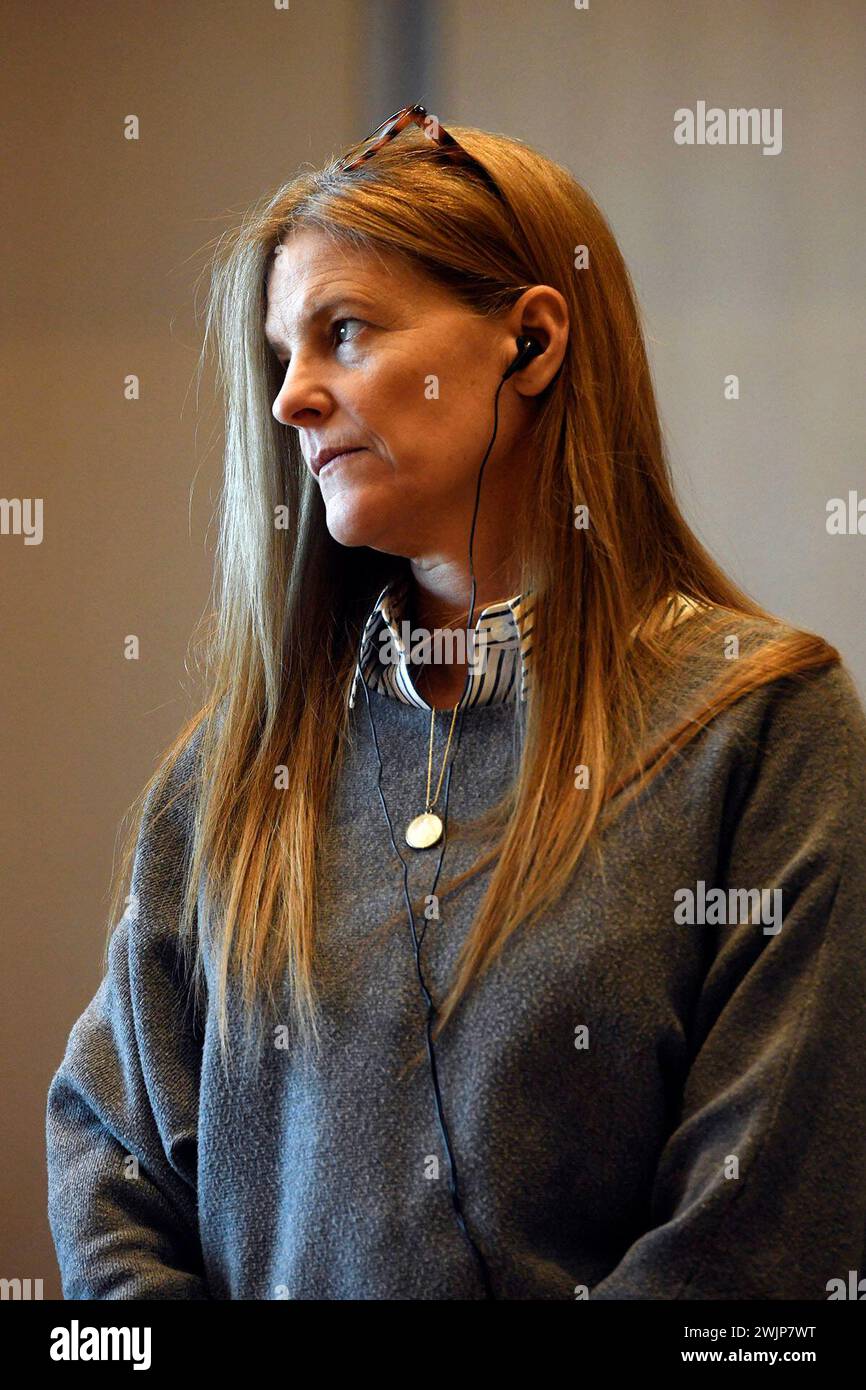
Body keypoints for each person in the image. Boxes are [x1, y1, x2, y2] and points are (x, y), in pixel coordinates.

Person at [46, 105, 866, 1300]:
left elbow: (764, 1236)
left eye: (343, 333)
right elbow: (108, 1164)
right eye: (283, 357)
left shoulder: (762, 730)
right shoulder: (228, 770)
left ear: (530, 345)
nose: (290, 401)